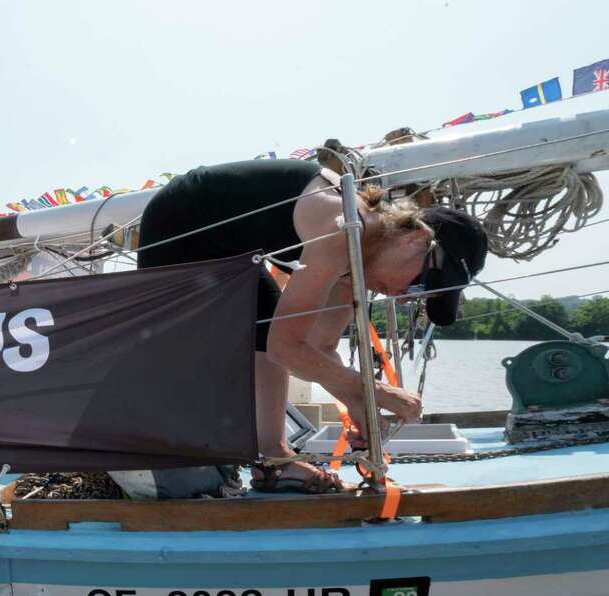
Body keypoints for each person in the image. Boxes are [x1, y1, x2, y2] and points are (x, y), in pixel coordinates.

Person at [137, 159, 488, 493]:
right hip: (181, 221)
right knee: (216, 339)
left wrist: (360, 405)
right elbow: (286, 348)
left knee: (268, 321)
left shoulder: (359, 259)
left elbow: (317, 349)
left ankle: (272, 460)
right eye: (418, 286)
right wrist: (379, 392)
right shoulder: (346, 229)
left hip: (232, 245)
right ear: (415, 241)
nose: (404, 299)